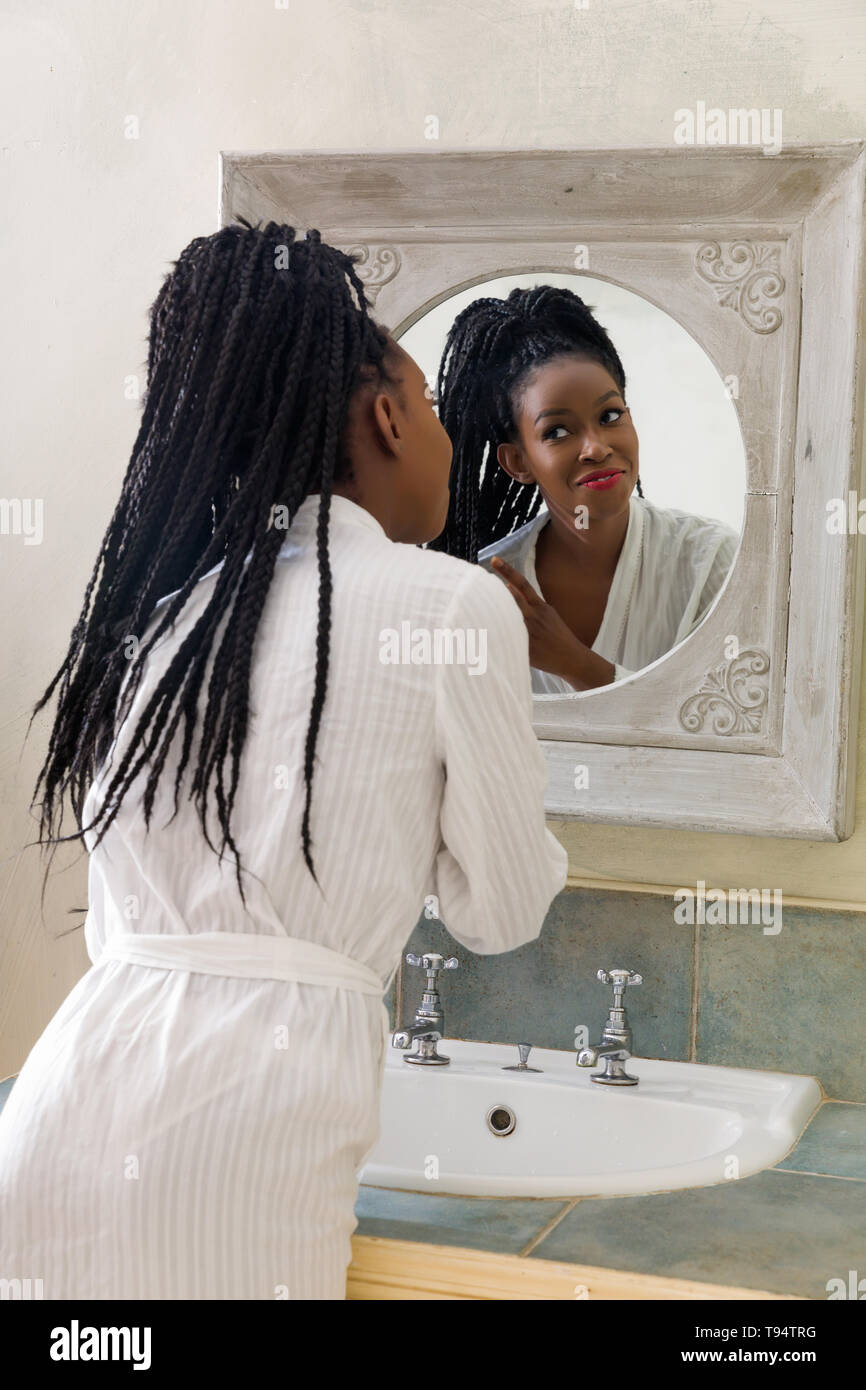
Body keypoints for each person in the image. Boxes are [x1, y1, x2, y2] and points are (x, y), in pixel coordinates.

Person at [0, 222, 568, 1300]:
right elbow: (499, 911)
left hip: (58, 1113)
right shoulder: (452, 607)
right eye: (439, 414)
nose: (450, 446)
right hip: (243, 1144)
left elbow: (136, 921)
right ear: (389, 417)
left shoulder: (162, 625)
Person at [428, 285, 740, 692]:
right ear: (518, 462)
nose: (596, 447)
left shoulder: (710, 561)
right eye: (557, 431)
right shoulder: (481, 595)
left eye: (610, 415)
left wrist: (576, 665)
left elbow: (725, 735)